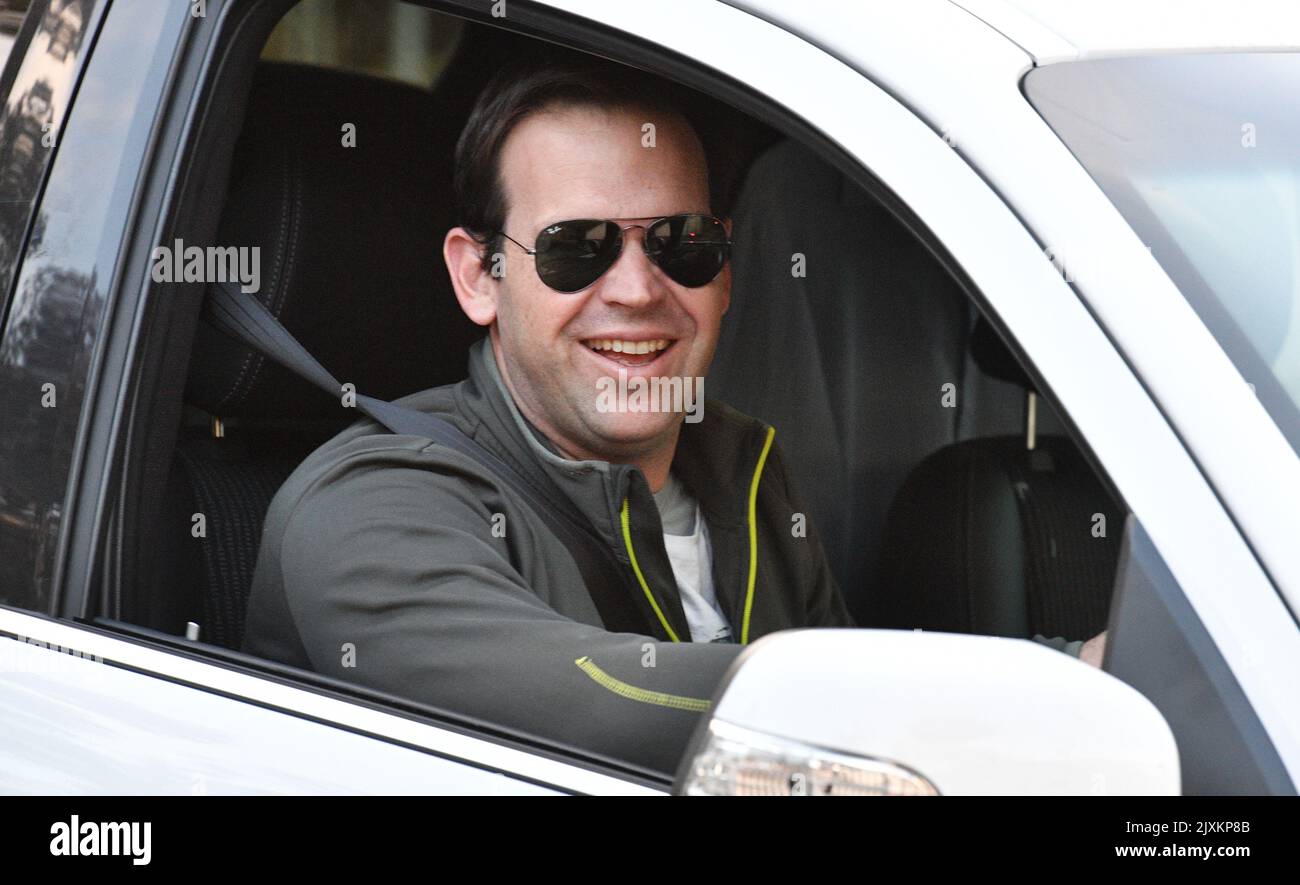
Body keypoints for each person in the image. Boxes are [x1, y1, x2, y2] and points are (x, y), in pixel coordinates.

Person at [242, 57, 1104, 775]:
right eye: (575, 247)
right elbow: (604, 701)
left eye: (680, 243)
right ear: (478, 278)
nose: (637, 289)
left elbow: (848, 760)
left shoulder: (749, 471)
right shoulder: (366, 512)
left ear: (724, 273)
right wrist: (1042, 692)